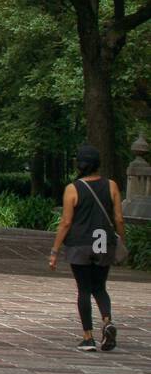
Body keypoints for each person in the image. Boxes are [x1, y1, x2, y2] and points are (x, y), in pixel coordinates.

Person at [49, 145, 125, 351]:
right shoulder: (111, 186)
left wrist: (55, 250)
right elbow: (118, 218)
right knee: (100, 287)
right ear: (98, 164)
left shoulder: (73, 188)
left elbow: (65, 222)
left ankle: (88, 337)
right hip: (103, 243)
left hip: (80, 244)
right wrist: (122, 241)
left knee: (84, 289)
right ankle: (107, 321)